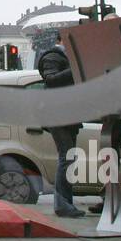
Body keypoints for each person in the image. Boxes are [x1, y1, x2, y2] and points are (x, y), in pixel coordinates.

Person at [39, 43, 84, 218]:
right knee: (67, 157)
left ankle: (66, 203)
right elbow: (50, 79)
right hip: (57, 115)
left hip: (66, 115)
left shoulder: (63, 58)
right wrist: (76, 70)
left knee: (69, 158)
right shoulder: (53, 57)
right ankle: (62, 205)